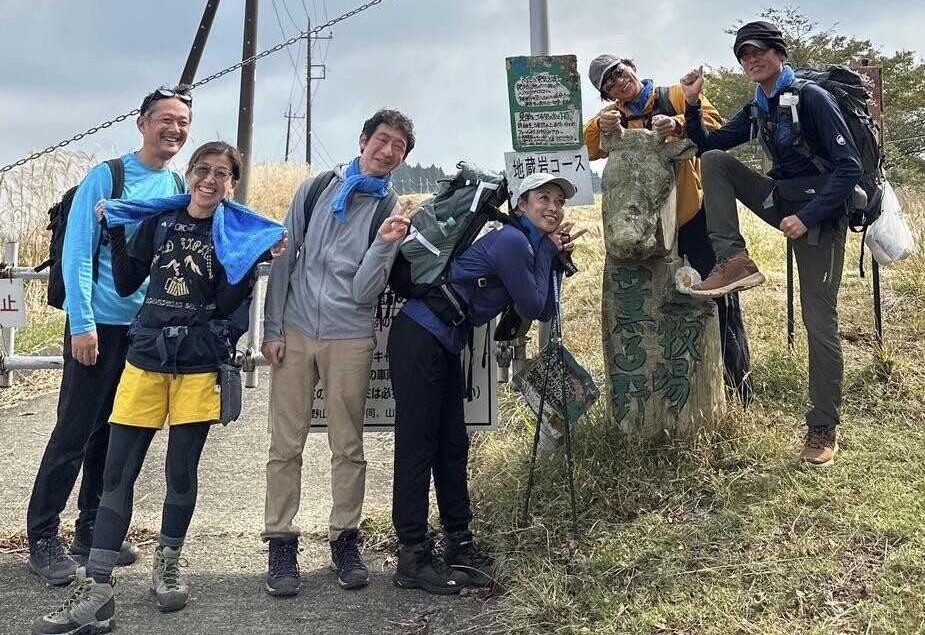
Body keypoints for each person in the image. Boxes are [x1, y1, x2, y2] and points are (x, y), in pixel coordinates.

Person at [32, 141, 286, 635]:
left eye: (222, 174)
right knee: (116, 472)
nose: (210, 180)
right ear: (189, 174)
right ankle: (98, 590)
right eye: (203, 170)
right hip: (145, 358)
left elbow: (228, 303)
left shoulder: (234, 235)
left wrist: (253, 262)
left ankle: (168, 561)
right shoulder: (158, 221)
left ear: (233, 185)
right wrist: (116, 230)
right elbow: (127, 284)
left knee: (181, 471)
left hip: (197, 364)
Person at [26, 86, 192, 585]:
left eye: (183, 122)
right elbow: (77, 253)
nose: (175, 130)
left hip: (146, 332)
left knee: (114, 431)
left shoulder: (179, 182)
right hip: (98, 327)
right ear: (142, 123)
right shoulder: (109, 177)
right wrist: (82, 324)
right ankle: (42, 536)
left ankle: (91, 530)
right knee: (74, 432)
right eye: (165, 119)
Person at [388, 172, 582, 594]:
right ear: (521, 206)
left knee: (453, 445)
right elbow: (532, 303)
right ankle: (413, 556)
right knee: (419, 445)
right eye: (542, 198)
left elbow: (544, 307)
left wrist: (551, 258)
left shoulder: (528, 245)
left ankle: (459, 544)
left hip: (442, 342)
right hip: (419, 338)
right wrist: (548, 252)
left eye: (559, 201)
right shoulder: (514, 242)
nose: (553, 207)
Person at [681, 21, 863, 466]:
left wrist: (808, 216)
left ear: (778, 53)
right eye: (743, 55)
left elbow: (849, 167)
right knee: (716, 161)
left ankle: (823, 427)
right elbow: (709, 143)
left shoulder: (811, 97)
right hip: (782, 202)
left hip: (819, 216)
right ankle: (733, 259)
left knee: (818, 319)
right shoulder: (760, 106)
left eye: (758, 51)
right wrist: (691, 105)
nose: (750, 60)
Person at [260, 109, 419, 595]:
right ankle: (281, 542)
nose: (389, 152)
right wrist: (272, 327)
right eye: (384, 140)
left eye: (400, 148)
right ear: (364, 140)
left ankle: (344, 538)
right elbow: (285, 259)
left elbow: (365, 291)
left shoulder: (388, 207)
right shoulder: (314, 189)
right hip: (297, 326)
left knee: (348, 445)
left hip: (350, 334)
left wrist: (385, 244)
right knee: (285, 444)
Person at [584, 55, 754, 403]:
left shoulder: (676, 95)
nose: (618, 82)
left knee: (720, 302)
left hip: (693, 220)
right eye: (608, 84)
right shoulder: (614, 119)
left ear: (631, 66)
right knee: (657, 307)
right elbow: (586, 148)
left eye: (619, 72)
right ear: (606, 95)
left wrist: (678, 123)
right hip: (649, 235)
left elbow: (713, 126)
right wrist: (602, 127)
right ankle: (676, 394)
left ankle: (740, 389)